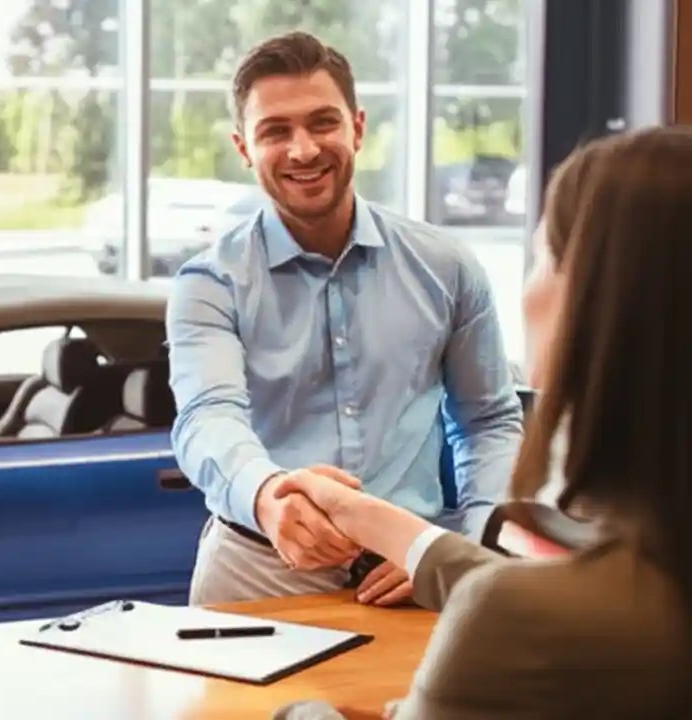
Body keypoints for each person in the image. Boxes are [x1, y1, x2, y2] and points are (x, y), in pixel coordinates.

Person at [273, 126, 692, 718]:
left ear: (602, 299)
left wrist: (303, 714)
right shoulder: (644, 579)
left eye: (543, 255)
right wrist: (368, 519)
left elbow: (523, 607)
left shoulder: (520, 619)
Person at [166, 30, 524, 606]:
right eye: (275, 131)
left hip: (410, 573)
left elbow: (488, 422)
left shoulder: (446, 266)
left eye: (322, 123)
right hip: (258, 570)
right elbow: (207, 417)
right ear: (244, 148)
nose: (303, 149)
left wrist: (463, 550)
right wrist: (267, 496)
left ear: (357, 128)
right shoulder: (209, 284)